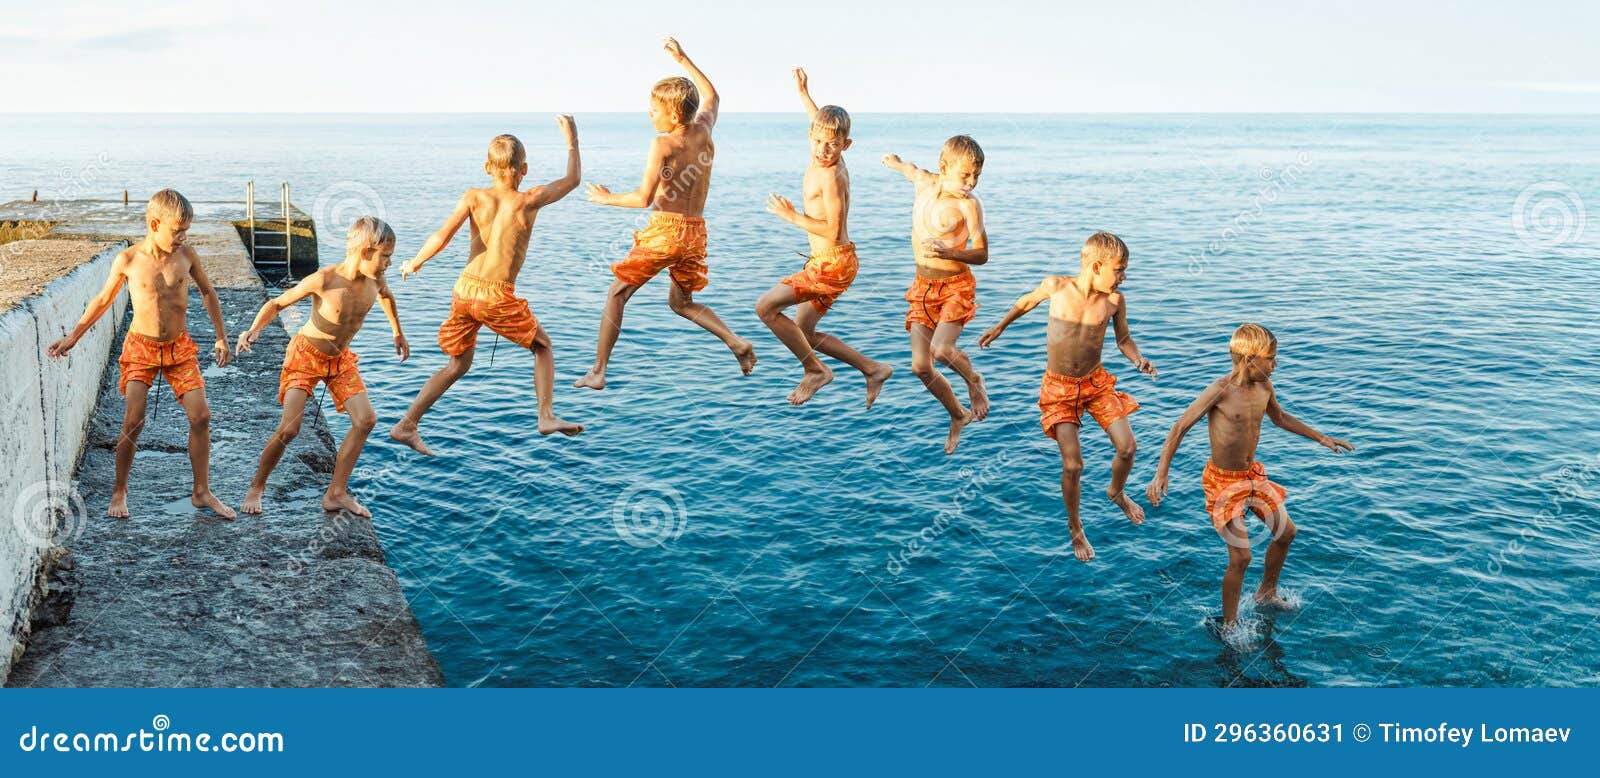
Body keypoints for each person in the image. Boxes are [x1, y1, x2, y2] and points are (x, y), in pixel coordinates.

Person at [46, 188, 235, 519]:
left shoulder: (187, 256)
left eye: (186, 231)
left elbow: (207, 292)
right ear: (154, 223)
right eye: (177, 231)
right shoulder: (129, 260)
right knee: (134, 420)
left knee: (201, 416)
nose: (182, 237)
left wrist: (221, 338)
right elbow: (103, 300)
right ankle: (120, 491)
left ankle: (201, 492)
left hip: (179, 348)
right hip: (141, 348)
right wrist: (73, 337)